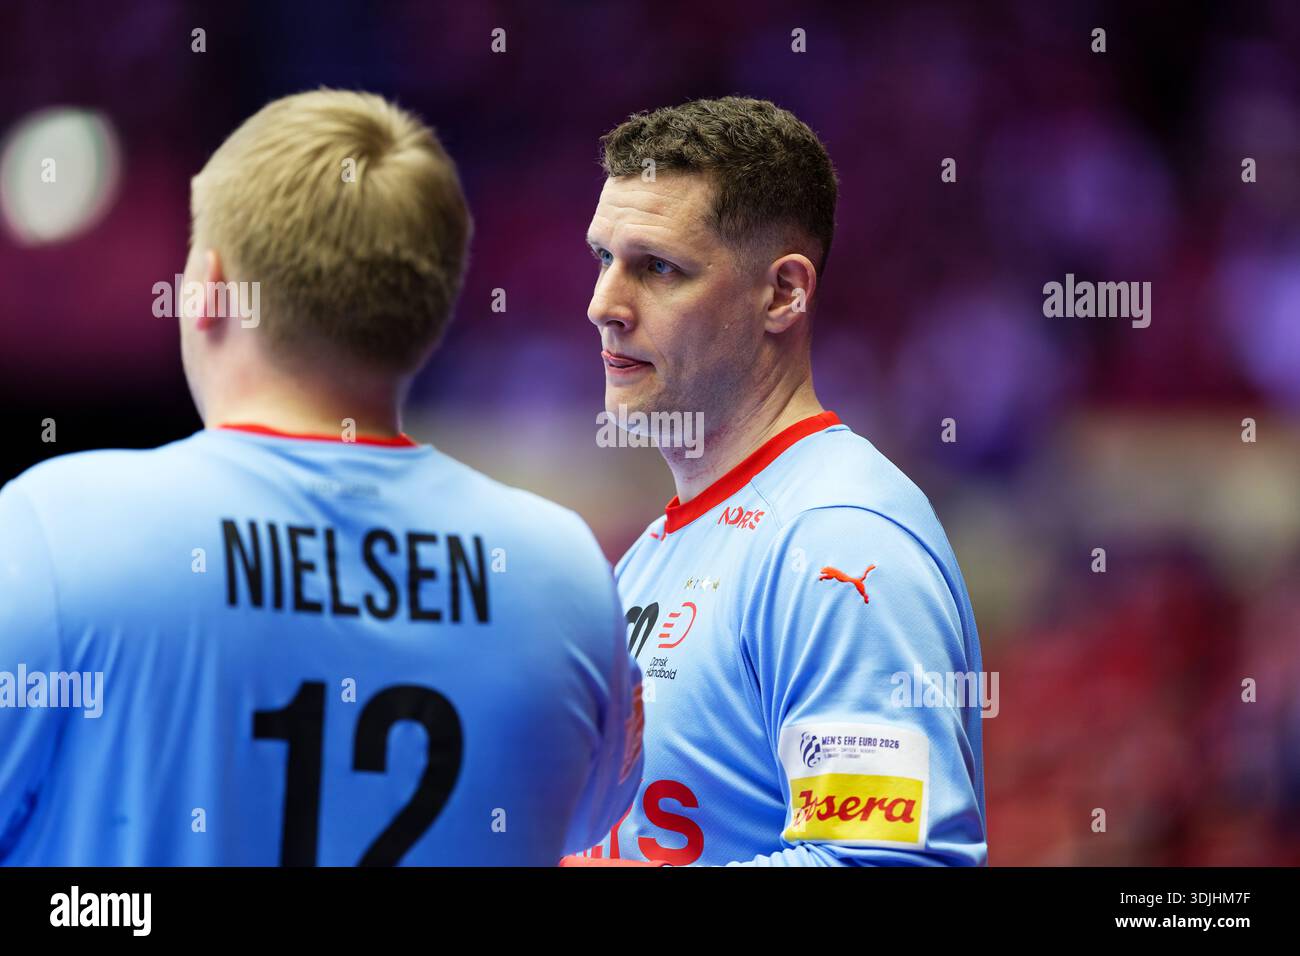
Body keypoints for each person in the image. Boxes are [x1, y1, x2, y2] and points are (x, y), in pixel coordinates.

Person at [0, 89, 641, 866]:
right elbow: (589, 831)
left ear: (208, 289)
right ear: (426, 312)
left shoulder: (55, 528)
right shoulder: (565, 576)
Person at [581, 97, 986, 865]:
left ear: (783, 294)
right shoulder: (660, 549)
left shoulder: (840, 538)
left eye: (657, 268)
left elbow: (887, 863)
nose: (604, 306)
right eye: (604, 259)